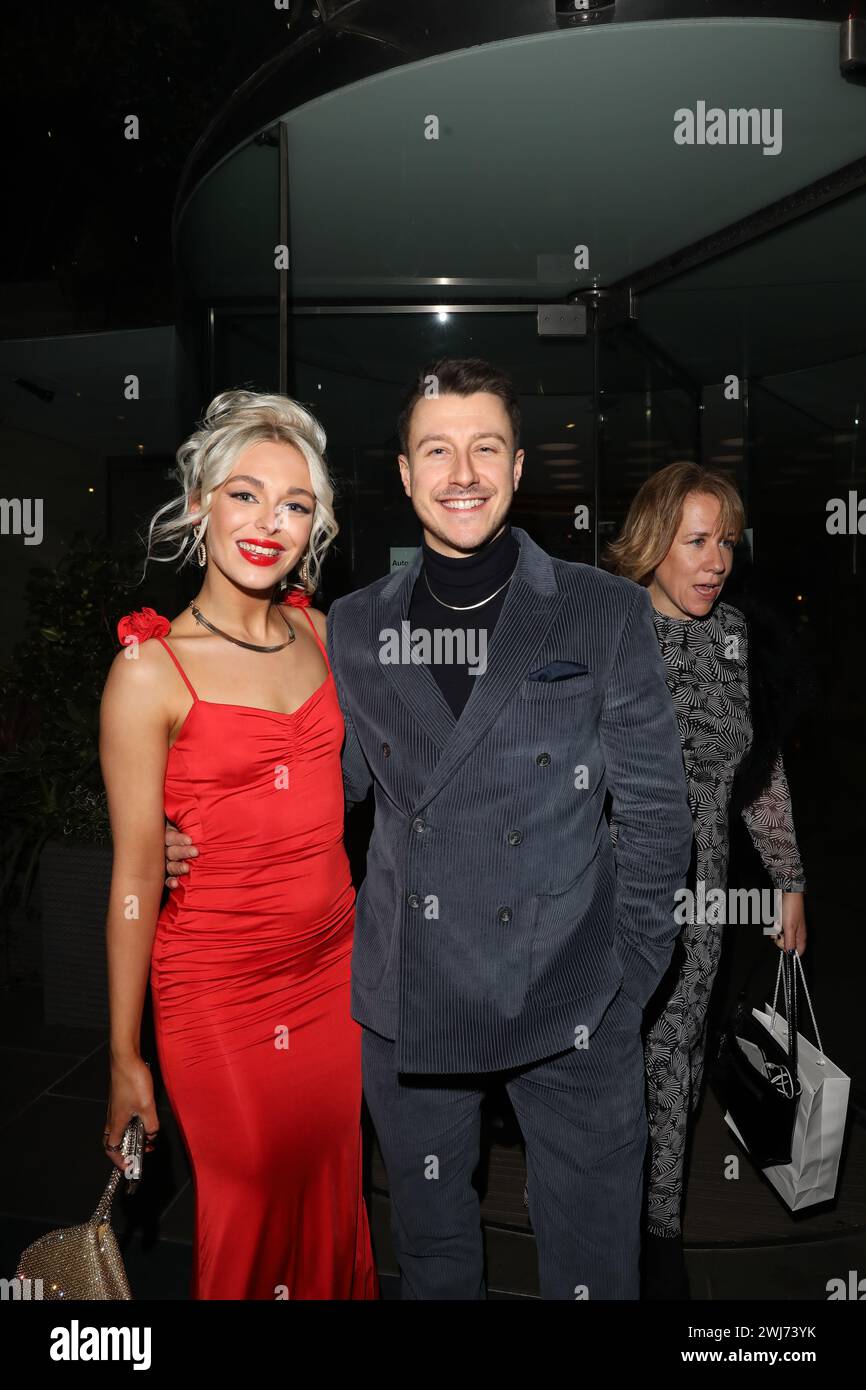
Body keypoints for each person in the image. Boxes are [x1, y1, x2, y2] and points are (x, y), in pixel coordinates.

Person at [167, 358, 694, 1300]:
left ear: (520, 467)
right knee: (436, 1258)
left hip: (573, 998)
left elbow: (659, 815)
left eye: (485, 448)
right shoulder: (359, 628)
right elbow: (335, 789)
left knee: (596, 1264)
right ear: (405, 476)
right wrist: (201, 830)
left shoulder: (600, 609)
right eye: (436, 450)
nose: (463, 472)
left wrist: (624, 983)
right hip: (413, 999)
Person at [100, 390, 378, 1300]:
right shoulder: (150, 669)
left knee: (333, 1181)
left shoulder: (320, 632)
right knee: (251, 1192)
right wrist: (122, 1053)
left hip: (333, 972)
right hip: (216, 986)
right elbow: (137, 873)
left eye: (294, 504)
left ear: (316, 526)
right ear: (198, 505)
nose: (270, 523)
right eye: (245, 494)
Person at [605, 462, 807, 1299]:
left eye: (725, 540)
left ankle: (659, 1240)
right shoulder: (607, 634)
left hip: (706, 901)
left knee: (677, 1066)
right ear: (653, 543)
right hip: (608, 898)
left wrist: (789, 882)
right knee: (611, 1069)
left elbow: (759, 775)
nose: (716, 558)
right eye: (697, 539)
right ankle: (607, 1234)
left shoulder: (732, 639)